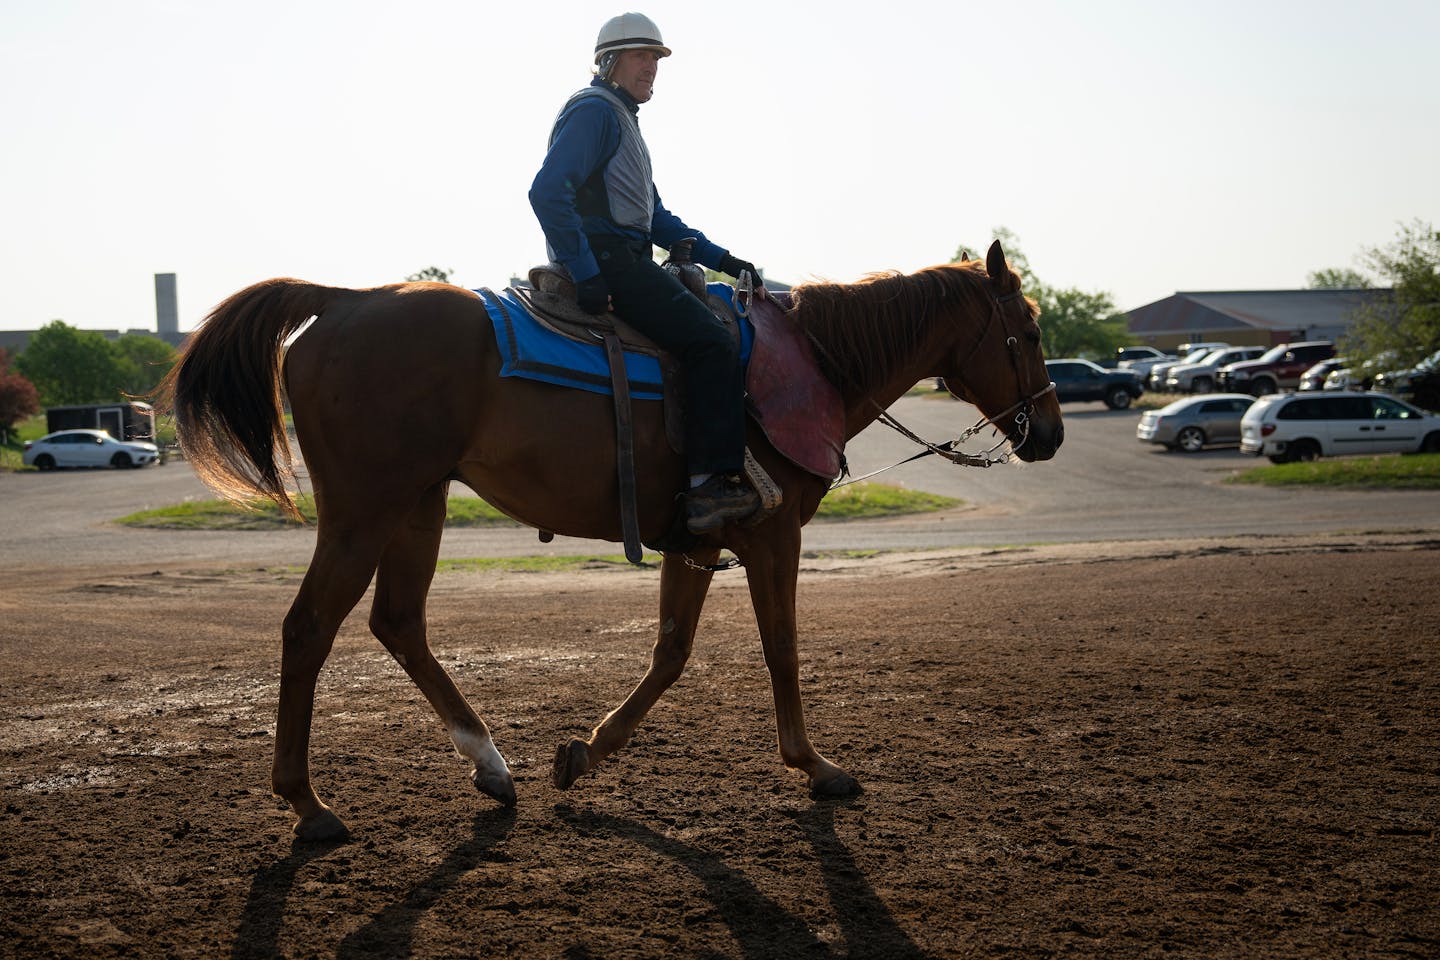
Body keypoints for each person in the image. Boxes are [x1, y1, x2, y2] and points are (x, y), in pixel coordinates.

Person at [529, 12, 761, 534]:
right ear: (609, 62)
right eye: (641, 56)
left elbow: (656, 219)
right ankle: (708, 486)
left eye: (656, 58)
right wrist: (587, 271)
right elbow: (547, 192)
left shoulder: (622, 118)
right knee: (711, 341)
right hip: (609, 259)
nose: (652, 67)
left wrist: (725, 260)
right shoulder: (595, 112)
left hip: (622, 255)